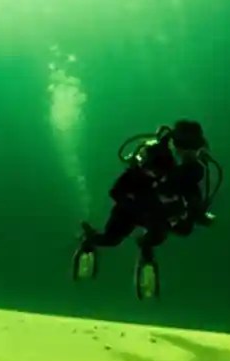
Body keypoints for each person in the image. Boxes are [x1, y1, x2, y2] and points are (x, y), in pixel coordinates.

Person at [72, 119, 221, 299]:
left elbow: (191, 195)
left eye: (193, 147)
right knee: (111, 239)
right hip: (131, 209)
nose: (188, 152)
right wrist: (139, 205)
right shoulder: (155, 157)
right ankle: (90, 240)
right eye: (186, 145)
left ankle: (145, 248)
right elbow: (117, 191)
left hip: (158, 213)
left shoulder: (191, 170)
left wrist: (196, 212)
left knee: (176, 230)